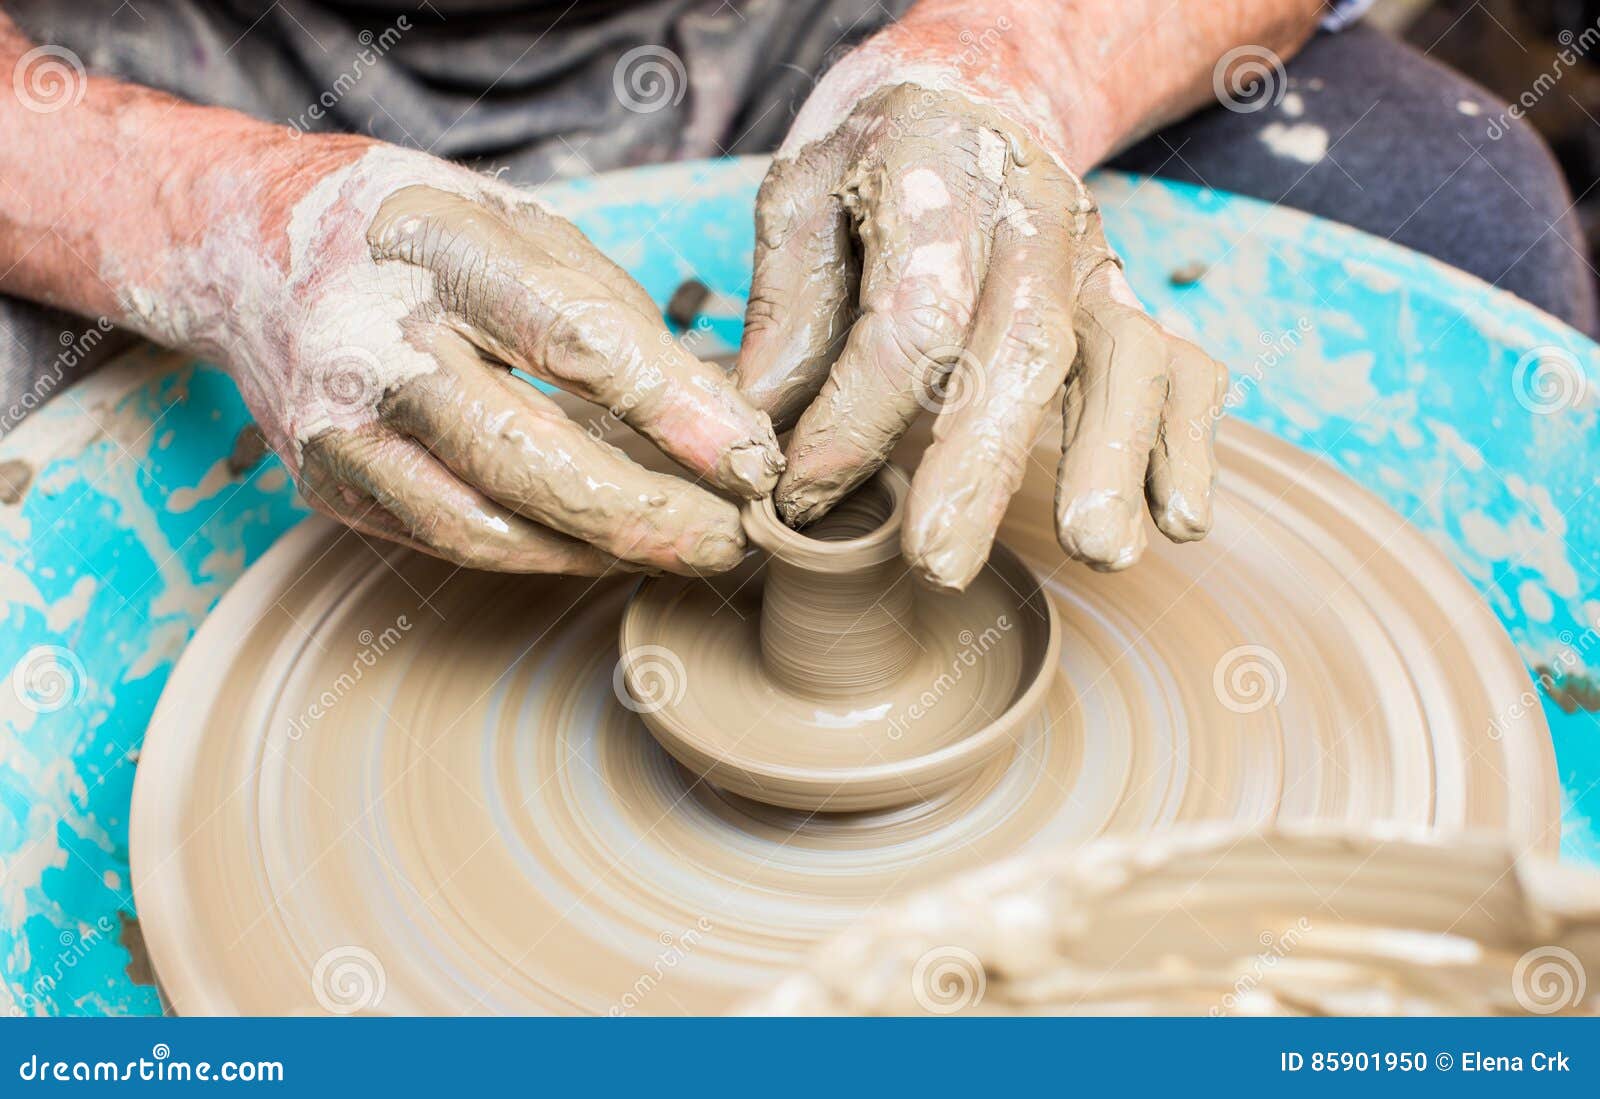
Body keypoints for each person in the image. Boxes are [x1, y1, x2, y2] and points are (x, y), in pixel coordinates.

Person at [0, 1, 1590, 590]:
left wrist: (1013, 64)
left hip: (853, 21)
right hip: (150, 72)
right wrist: (209, 220)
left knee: (1447, 198)